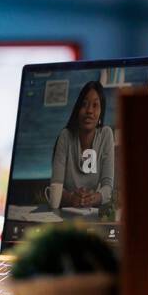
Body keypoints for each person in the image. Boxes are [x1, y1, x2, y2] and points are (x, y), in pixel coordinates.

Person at [48, 80, 114, 210]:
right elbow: (55, 186)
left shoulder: (106, 134)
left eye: (95, 105)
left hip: (90, 214)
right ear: (78, 110)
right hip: (64, 215)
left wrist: (93, 198)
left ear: (101, 112)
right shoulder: (65, 136)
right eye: (84, 104)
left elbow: (108, 186)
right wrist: (72, 198)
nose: (89, 110)